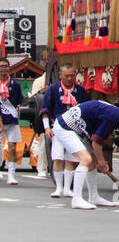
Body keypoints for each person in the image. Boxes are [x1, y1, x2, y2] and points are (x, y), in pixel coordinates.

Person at [51, 96, 119, 208]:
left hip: (79, 130)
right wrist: (102, 161)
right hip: (66, 127)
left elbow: (96, 141)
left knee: (93, 161)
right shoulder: (112, 117)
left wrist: (99, 160)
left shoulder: (115, 114)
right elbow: (96, 143)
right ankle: (76, 199)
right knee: (86, 159)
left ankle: (93, 196)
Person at [40, 63, 89, 198]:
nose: (69, 78)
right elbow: (45, 109)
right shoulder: (53, 89)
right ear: (60, 75)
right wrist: (47, 128)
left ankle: (68, 188)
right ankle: (59, 188)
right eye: (66, 76)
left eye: (72, 76)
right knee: (57, 157)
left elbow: (86, 110)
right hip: (58, 127)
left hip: (75, 130)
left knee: (71, 159)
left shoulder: (80, 91)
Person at [0, 59, 24, 185]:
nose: (3, 69)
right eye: (1, 66)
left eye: (6, 66)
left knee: (12, 147)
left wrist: (18, 107)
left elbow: (20, 100)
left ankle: (11, 174)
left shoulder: (15, 84)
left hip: (11, 119)